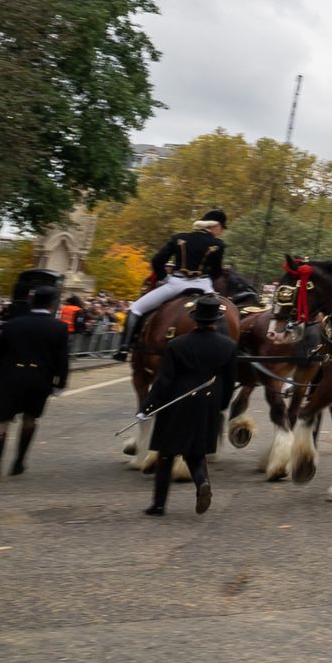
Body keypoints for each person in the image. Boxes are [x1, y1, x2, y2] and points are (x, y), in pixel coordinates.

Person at [139, 294, 238, 515]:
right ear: (216, 319)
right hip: (209, 401)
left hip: (178, 399)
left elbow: (164, 380)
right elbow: (230, 381)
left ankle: (159, 504)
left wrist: (148, 406)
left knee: (166, 454)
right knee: (196, 452)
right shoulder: (229, 346)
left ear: (195, 319)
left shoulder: (177, 344)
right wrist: (221, 404)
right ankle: (201, 481)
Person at [119, 209, 229, 360]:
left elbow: (157, 261)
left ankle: (124, 347)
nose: (221, 232)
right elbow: (216, 272)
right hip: (204, 286)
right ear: (215, 226)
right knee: (223, 315)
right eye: (221, 228)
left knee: (136, 309)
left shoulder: (179, 238)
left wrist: (164, 278)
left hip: (175, 284)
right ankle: (226, 354)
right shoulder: (218, 245)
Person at [0, 285, 72, 482]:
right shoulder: (58, 327)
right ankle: (18, 461)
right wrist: (60, 383)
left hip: (9, 377)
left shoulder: (12, 324)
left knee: (0, 424)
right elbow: (62, 359)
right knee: (29, 420)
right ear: (53, 304)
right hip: (38, 379)